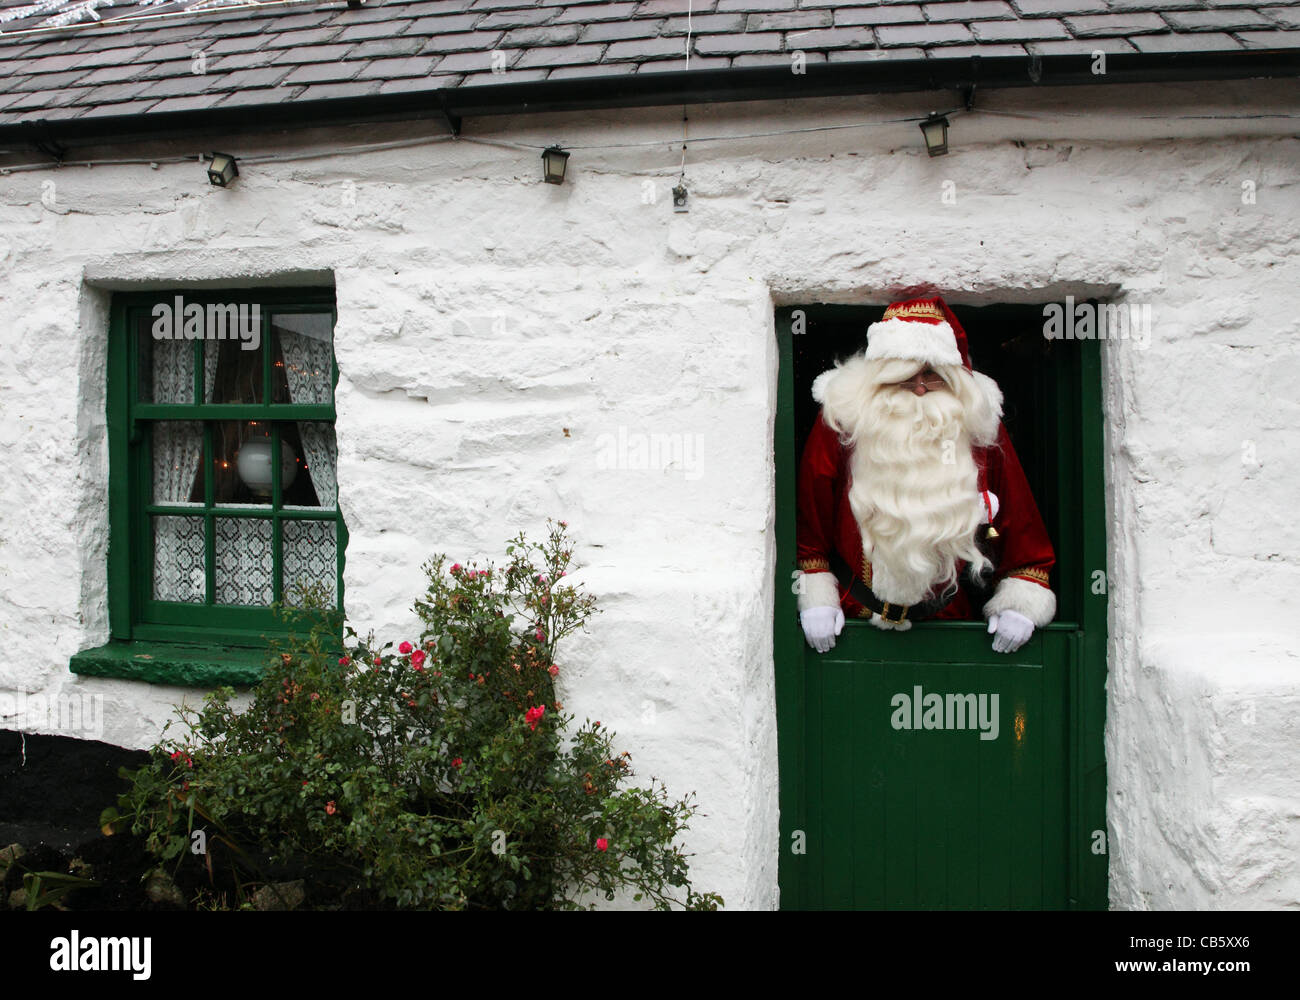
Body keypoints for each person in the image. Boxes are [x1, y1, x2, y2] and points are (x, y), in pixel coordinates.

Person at [795, 296, 1056, 654]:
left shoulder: (977, 426)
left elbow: (1019, 518)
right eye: (904, 377)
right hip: (852, 617)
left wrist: (1021, 600)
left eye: (932, 376)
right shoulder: (843, 419)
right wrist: (816, 590)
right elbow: (811, 509)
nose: (919, 388)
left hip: (950, 623)